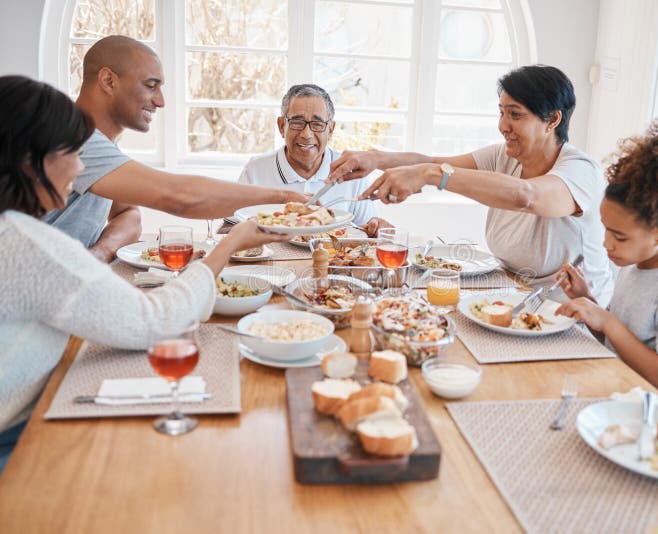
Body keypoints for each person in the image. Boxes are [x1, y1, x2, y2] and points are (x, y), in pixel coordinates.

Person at [0, 75, 291, 471]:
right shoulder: (28, 246)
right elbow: (154, 322)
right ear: (30, 159)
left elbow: (128, 215)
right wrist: (229, 244)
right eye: (73, 152)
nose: (81, 167)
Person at [326, 65, 613, 303]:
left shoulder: (581, 171)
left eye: (515, 115)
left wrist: (430, 175)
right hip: (511, 298)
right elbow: (434, 161)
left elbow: (527, 196)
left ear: (552, 119)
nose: (503, 126)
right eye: (501, 113)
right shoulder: (504, 156)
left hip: (571, 316)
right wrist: (376, 158)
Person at [42, 35, 308, 262]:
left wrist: (99, 254)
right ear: (108, 81)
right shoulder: (75, 138)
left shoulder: (98, 142)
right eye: (151, 86)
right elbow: (178, 197)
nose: (160, 101)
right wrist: (281, 198)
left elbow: (128, 214)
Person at [554, 123, 658, 414]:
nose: (606, 243)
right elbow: (616, 342)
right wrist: (588, 302)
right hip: (621, 392)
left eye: (620, 237)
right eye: (606, 229)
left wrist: (607, 321)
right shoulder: (633, 264)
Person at [238, 84, 392, 237]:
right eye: (297, 123)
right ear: (281, 126)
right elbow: (232, 228)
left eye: (317, 124)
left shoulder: (350, 171)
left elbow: (365, 231)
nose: (306, 134)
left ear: (330, 129)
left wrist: (375, 227)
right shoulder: (255, 170)